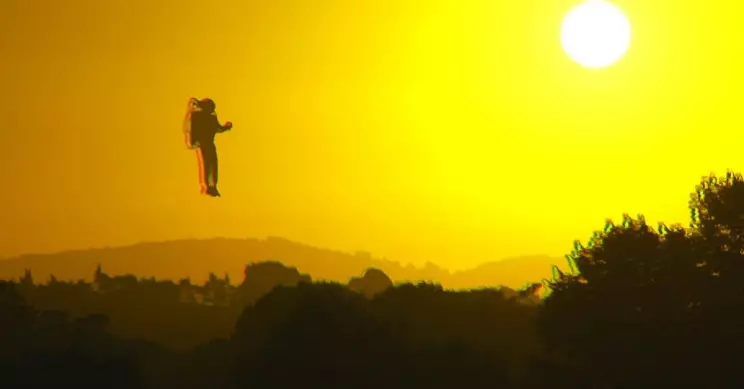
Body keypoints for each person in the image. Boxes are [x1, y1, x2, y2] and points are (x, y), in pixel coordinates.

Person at [183, 97, 233, 197]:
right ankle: (209, 186)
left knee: (212, 164)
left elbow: (217, 128)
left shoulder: (206, 116)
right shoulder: (199, 116)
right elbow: (217, 128)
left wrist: (225, 127)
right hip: (204, 143)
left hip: (207, 143)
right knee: (208, 165)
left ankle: (212, 186)